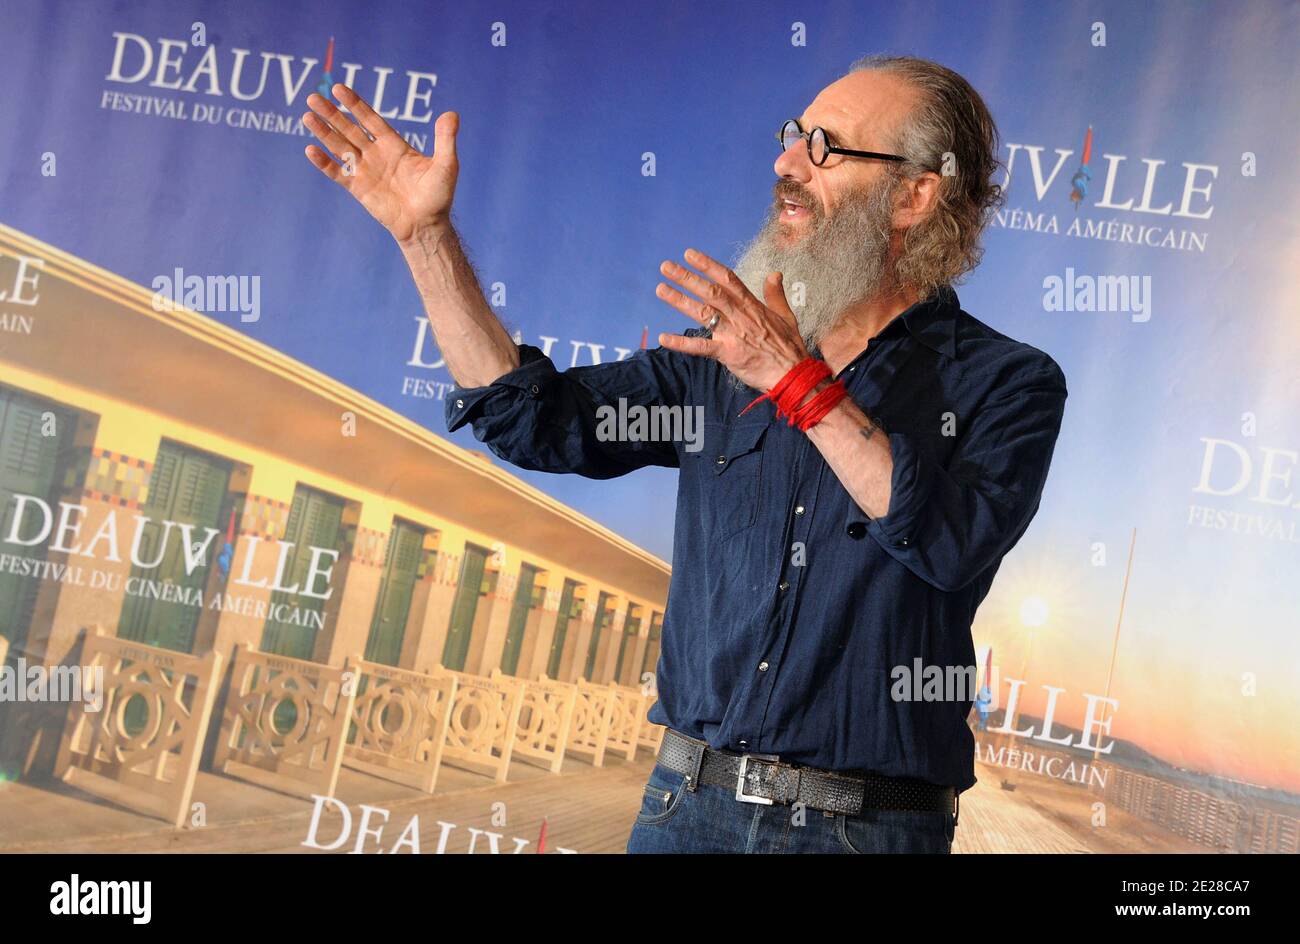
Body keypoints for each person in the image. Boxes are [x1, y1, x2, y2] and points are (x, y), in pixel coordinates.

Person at [302, 54, 1067, 854]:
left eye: (825, 148)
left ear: (914, 194)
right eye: (792, 137)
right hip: (685, 811)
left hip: (865, 833)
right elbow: (535, 421)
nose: (785, 163)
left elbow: (950, 541)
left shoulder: (1007, 383)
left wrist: (797, 384)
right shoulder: (724, 361)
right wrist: (425, 238)